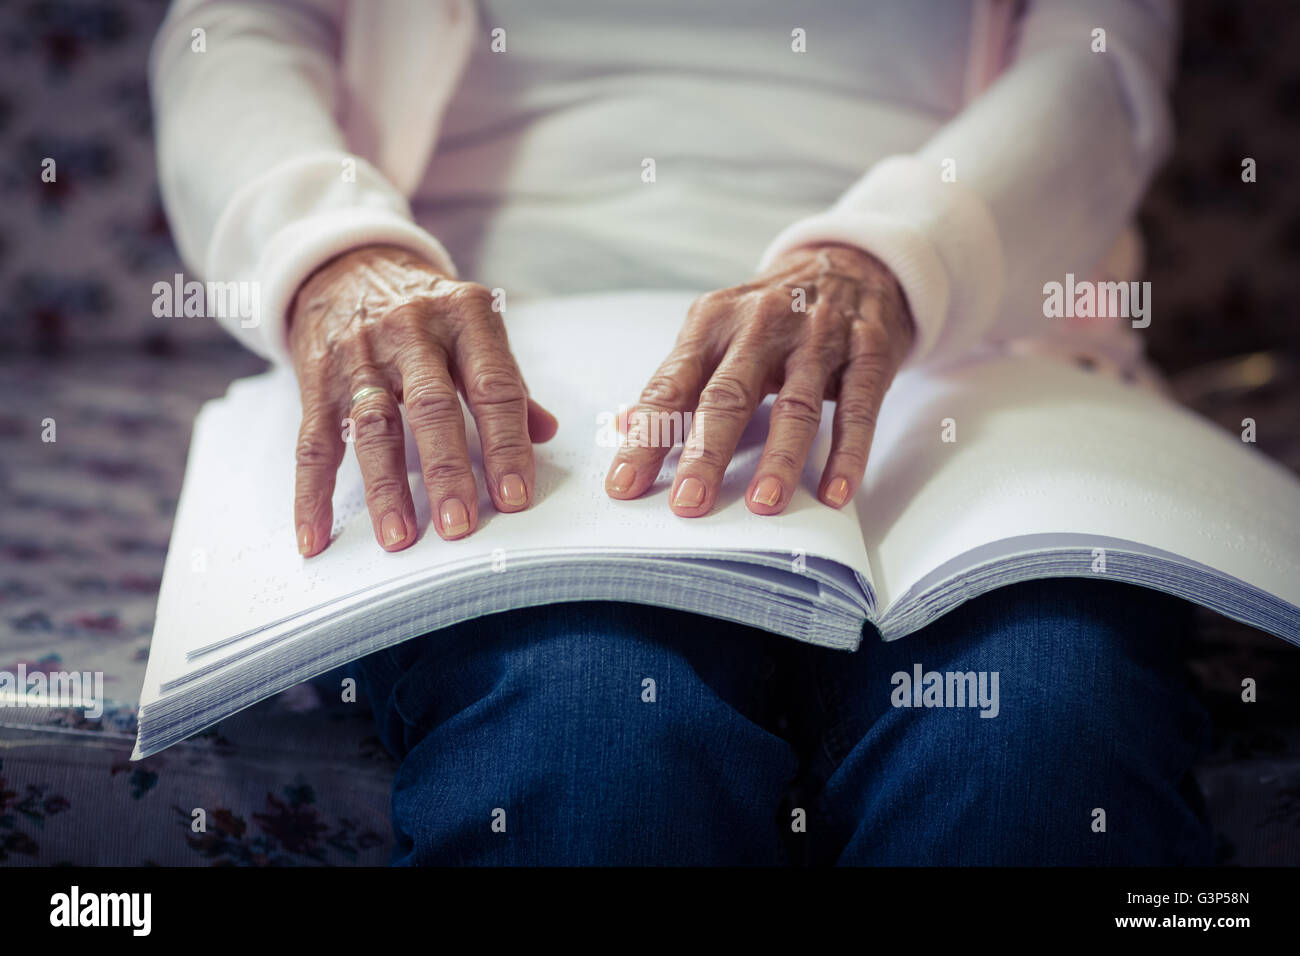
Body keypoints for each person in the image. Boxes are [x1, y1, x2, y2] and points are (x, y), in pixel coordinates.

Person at [152, 0, 1213, 864]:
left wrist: (894, 259)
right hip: (504, 359)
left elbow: (1098, 57)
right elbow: (236, 30)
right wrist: (331, 253)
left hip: (975, 345)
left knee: (1036, 729)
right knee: (591, 735)